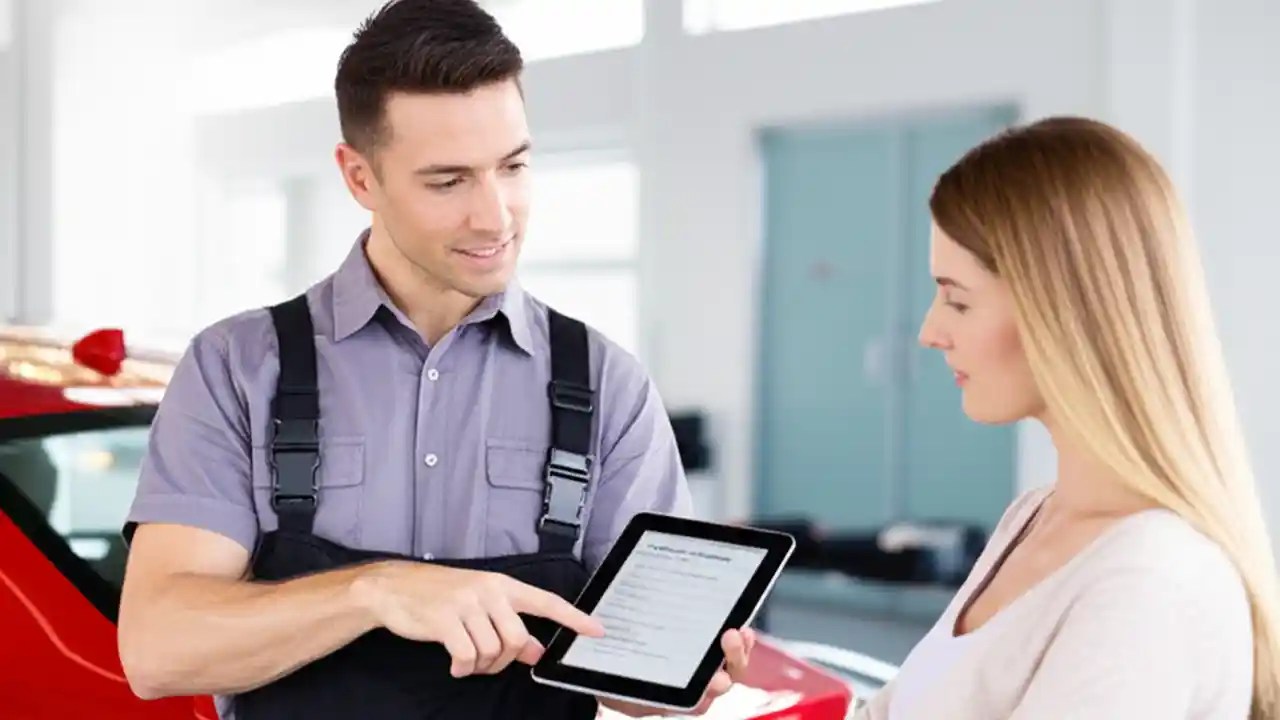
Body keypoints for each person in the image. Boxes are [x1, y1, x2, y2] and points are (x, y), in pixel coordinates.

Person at [115, 2, 755, 718]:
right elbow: (158, 650)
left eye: (512, 167)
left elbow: (638, 687)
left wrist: (682, 679)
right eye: (448, 182)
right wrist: (375, 591)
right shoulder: (236, 369)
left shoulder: (607, 383)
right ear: (359, 178)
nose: (495, 216)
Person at [858, 116, 1280, 719]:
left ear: (1062, 310)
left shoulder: (1151, 580)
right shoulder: (1032, 518)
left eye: (957, 300)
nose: (930, 332)